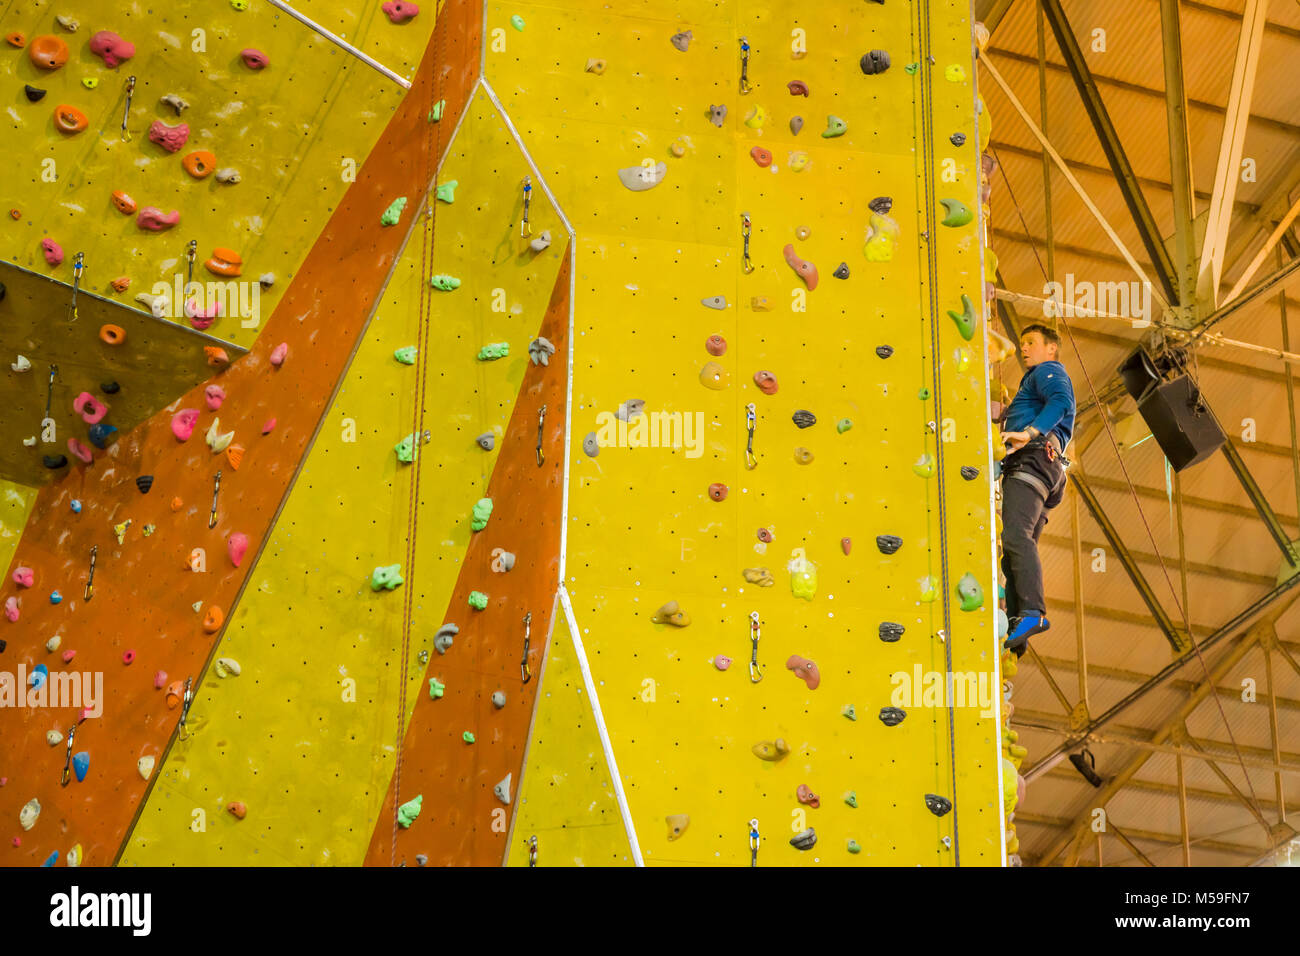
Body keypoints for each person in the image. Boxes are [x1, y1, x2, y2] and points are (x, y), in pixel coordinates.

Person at [998, 324, 1075, 657]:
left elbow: (1061, 401)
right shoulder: (1034, 381)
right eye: (1022, 343)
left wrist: (1028, 433)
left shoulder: (1048, 371)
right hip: (1048, 469)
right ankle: (1020, 624)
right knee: (1015, 550)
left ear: (1052, 348)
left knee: (1016, 539)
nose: (1023, 349)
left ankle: (1031, 613)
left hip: (1033, 459)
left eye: (1031, 342)